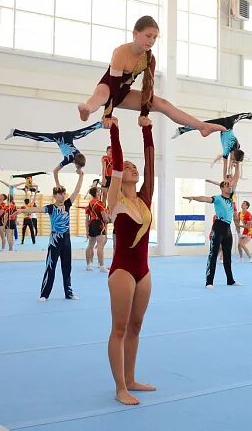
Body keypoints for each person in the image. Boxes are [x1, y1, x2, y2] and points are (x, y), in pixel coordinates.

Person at [76, 16, 224, 138]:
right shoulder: (121, 52)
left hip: (125, 94)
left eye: (154, 37)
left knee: (163, 104)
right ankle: (87, 109)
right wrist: (107, 116)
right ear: (135, 33)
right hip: (108, 87)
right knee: (102, 93)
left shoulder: (149, 59)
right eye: (148, 36)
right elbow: (114, 86)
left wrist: (144, 115)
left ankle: (202, 127)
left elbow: (148, 87)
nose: (151, 40)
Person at [104, 116, 156, 405]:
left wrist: (147, 130)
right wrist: (115, 130)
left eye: (135, 168)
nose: (133, 169)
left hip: (144, 271)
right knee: (120, 328)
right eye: (128, 168)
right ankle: (119, 387)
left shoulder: (145, 198)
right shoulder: (116, 200)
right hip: (122, 270)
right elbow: (119, 162)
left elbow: (151, 165)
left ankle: (132, 378)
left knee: (136, 327)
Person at [17, 171, 85, 301]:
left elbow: (77, 190)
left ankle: (69, 293)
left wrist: (81, 177)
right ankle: (44, 294)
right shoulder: (51, 208)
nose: (62, 195)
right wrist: (21, 210)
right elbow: (36, 210)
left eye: (63, 193)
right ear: (55, 196)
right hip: (55, 240)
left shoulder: (68, 205)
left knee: (67, 267)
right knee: (50, 266)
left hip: (66, 240)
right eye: (59, 194)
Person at [184, 165, 243, 289]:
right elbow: (205, 198)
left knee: (228, 255)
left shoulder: (231, 198)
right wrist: (193, 198)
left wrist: (238, 165)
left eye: (229, 184)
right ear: (221, 188)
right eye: (226, 184)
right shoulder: (217, 198)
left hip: (227, 228)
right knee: (213, 254)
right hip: (218, 227)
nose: (229, 185)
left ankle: (230, 280)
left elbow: (236, 178)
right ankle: (209, 282)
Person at [6, 123, 103, 186]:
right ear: (75, 163)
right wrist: (57, 184)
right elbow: (55, 171)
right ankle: (15, 132)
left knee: (84, 132)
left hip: (70, 135)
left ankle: (100, 124)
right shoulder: (68, 159)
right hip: (59, 138)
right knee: (38, 137)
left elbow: (79, 164)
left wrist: (79, 169)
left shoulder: (79, 156)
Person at [173, 112, 252, 178]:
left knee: (203, 125)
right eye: (233, 159)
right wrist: (225, 178)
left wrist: (230, 171)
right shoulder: (227, 150)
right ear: (233, 154)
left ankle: (181, 130)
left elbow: (231, 161)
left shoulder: (237, 147)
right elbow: (225, 167)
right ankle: (182, 130)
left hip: (228, 125)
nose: (232, 160)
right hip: (225, 126)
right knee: (202, 125)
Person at [85, 187, 108, 272]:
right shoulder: (100, 204)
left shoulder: (89, 204)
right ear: (95, 193)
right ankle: (101, 266)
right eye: (99, 192)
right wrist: (108, 219)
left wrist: (87, 230)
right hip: (99, 224)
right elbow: (104, 218)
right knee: (100, 245)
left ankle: (89, 264)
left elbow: (87, 219)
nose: (100, 193)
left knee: (90, 245)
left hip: (91, 224)